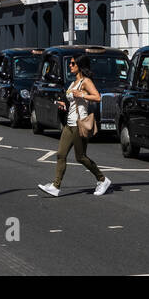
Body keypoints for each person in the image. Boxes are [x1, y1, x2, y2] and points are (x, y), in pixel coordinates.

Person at [38, 55, 111, 198]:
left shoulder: (85, 81)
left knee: (81, 157)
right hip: (69, 124)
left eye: (72, 63)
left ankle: (103, 179)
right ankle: (55, 186)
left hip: (79, 124)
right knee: (61, 154)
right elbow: (73, 102)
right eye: (70, 63)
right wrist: (64, 104)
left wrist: (82, 94)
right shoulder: (73, 83)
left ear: (79, 65)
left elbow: (97, 97)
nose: (70, 66)